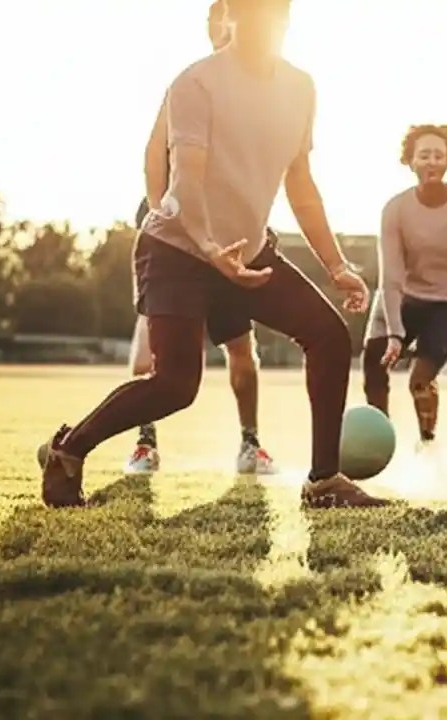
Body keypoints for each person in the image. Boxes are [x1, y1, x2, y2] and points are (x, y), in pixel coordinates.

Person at [38, 0, 381, 509]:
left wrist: (337, 266)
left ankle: (323, 481)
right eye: (248, 12)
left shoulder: (300, 87)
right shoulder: (195, 83)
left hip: (248, 250)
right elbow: (188, 178)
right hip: (178, 250)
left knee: (328, 336)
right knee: (177, 384)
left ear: (285, 19)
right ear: (230, 18)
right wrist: (208, 248)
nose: (260, 22)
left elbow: (301, 183)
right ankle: (69, 450)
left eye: (272, 13)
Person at [124, 0, 275, 477]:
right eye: (224, 19)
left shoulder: (264, 88)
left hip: (231, 240)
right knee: (150, 356)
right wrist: (161, 207)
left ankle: (251, 445)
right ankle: (145, 444)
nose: (233, 27)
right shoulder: (190, 84)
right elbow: (153, 154)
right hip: (175, 238)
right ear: (216, 25)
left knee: (242, 354)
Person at [364, 125, 447, 448]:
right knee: (374, 362)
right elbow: (391, 277)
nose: (432, 162)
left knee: (419, 379)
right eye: (424, 155)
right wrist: (395, 333)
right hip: (404, 298)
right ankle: (379, 444)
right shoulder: (394, 209)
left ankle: (428, 445)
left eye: (439, 155)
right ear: (410, 161)